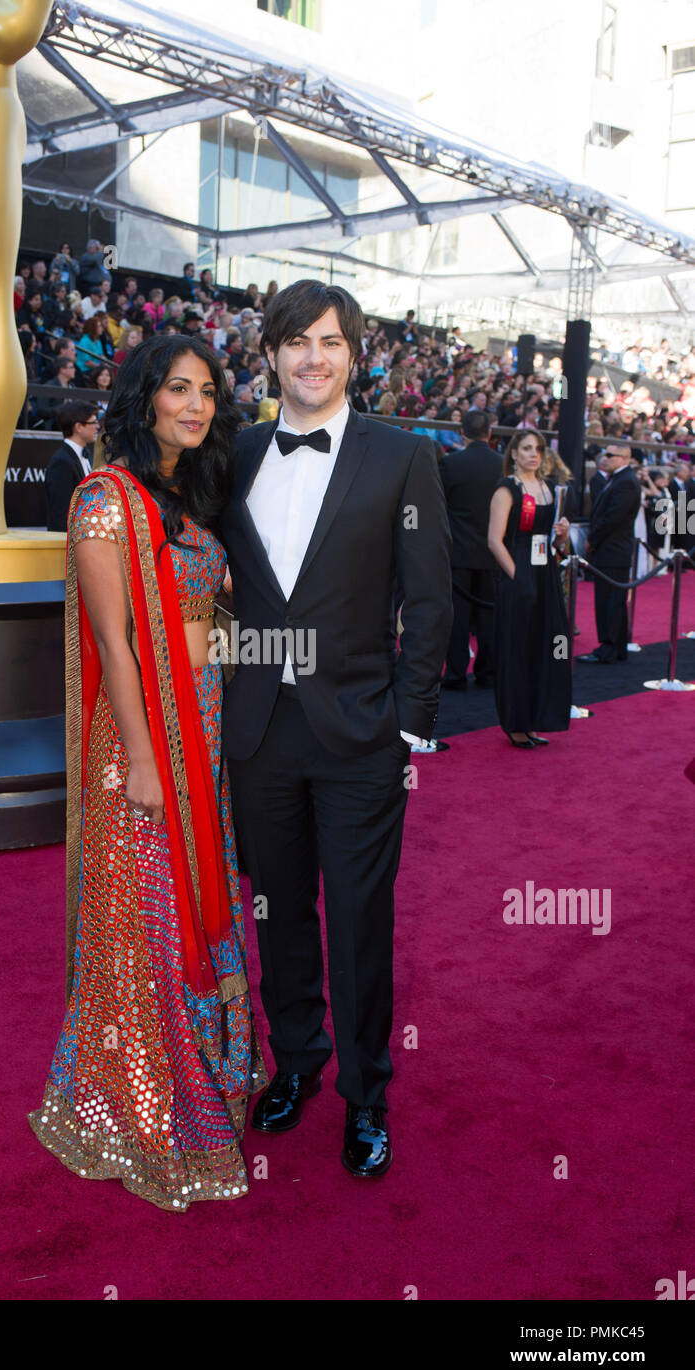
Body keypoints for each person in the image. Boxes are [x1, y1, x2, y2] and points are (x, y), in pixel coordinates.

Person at [218, 280, 452, 1179]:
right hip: (260, 730)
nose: (312, 358)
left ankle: (365, 1094)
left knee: (358, 920)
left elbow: (430, 598)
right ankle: (296, 1064)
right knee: (275, 915)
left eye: (330, 342)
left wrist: (411, 721)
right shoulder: (233, 453)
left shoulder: (400, 457)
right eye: (295, 342)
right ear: (270, 354)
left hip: (360, 734)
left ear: (355, 355)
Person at [29, 334, 266, 1210]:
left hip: (201, 734)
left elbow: (221, 611)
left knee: (191, 910)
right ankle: (139, 1108)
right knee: (147, 925)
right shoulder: (103, 500)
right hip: (142, 747)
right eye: (178, 389)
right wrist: (139, 759)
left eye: (207, 390)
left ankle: (193, 1086)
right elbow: (115, 646)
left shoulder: (188, 499)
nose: (196, 405)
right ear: (145, 398)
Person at [487, 429, 571, 747]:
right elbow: (494, 540)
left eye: (538, 448)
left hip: (545, 570)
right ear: (514, 454)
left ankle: (535, 718)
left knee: (543, 646)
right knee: (517, 648)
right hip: (517, 571)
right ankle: (515, 722)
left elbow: (551, 539)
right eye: (526, 448)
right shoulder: (507, 489)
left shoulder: (548, 488)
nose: (533, 454)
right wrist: (516, 576)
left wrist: (561, 534)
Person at [439, 409, 503, 690]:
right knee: (489, 616)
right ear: (489, 433)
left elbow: (438, 506)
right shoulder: (503, 465)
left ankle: (455, 674)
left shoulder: (451, 463)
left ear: (461, 432)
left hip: (458, 553)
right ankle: (486, 673)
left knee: (457, 618)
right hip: (493, 552)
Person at [576, 443, 641, 664]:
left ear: (624, 459)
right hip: (612, 550)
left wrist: (592, 540)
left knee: (610, 601)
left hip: (612, 550)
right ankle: (615, 647)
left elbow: (613, 517)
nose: (605, 458)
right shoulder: (620, 480)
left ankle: (610, 647)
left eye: (610, 455)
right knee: (612, 600)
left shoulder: (626, 482)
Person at [44, 402, 99, 530]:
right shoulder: (61, 462)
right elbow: (60, 513)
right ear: (79, 427)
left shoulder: (87, 455)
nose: (97, 427)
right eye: (93, 422)